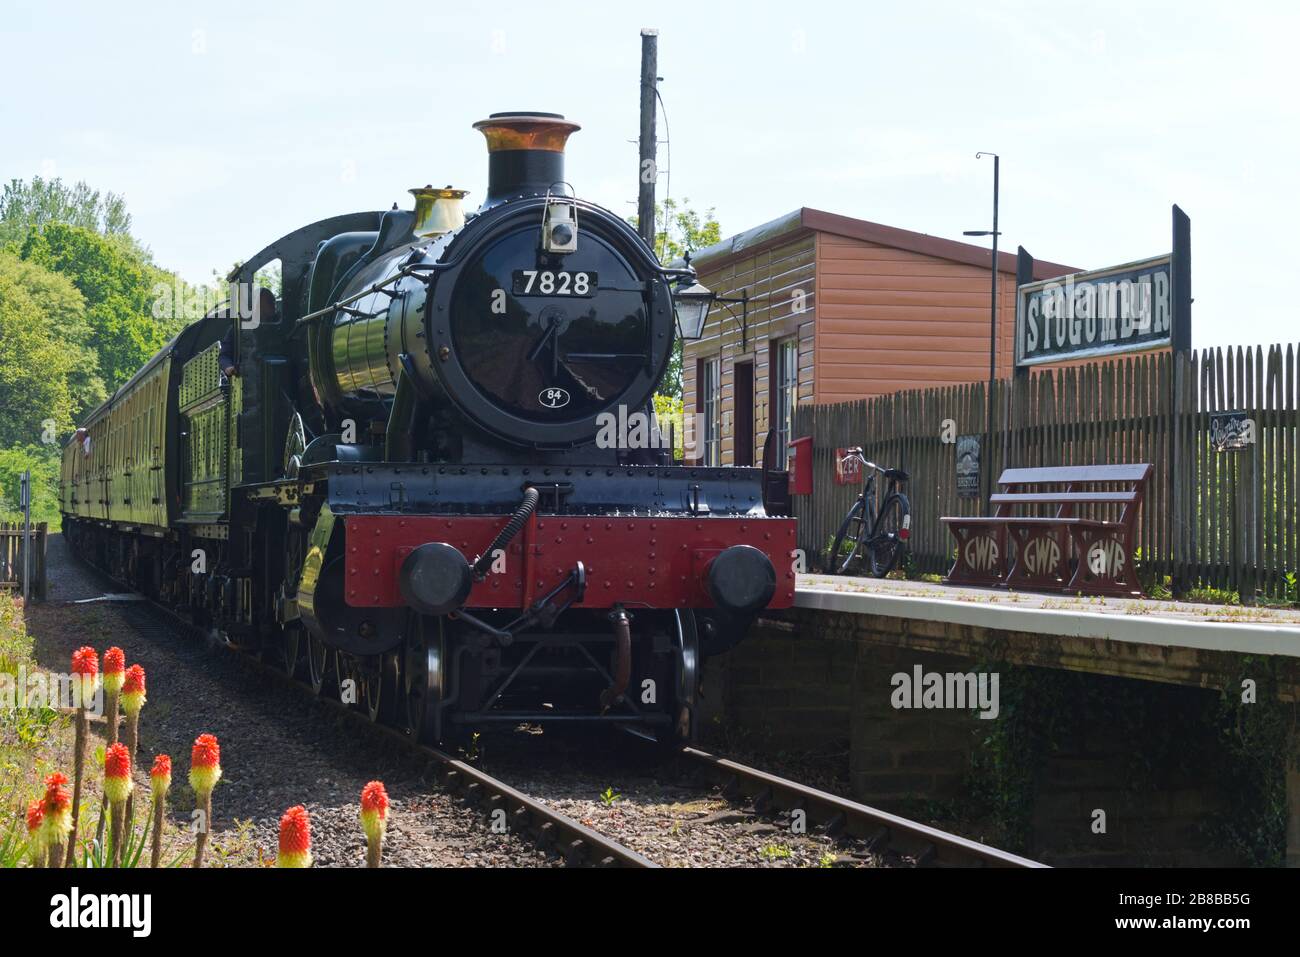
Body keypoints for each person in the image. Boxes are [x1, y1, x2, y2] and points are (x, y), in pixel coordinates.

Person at [219, 287, 276, 378]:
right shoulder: (238, 328)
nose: (270, 306)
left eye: (271, 302)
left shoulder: (280, 324)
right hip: (249, 376)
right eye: (265, 303)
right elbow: (224, 355)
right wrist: (228, 367)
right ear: (255, 305)